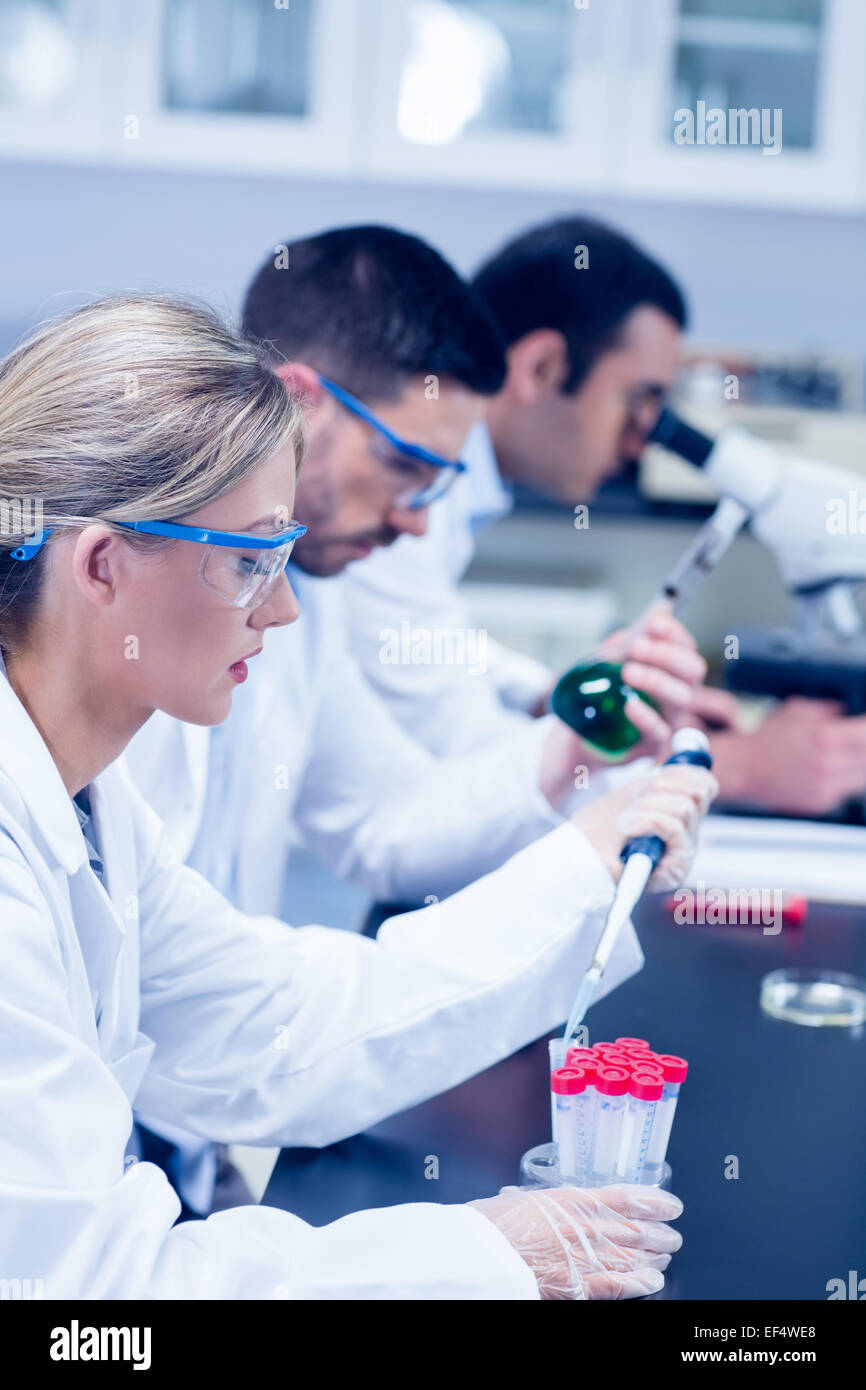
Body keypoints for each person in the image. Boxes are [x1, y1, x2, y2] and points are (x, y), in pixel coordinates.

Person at [0, 293, 715, 1298]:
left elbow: (276, 1024)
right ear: (104, 565)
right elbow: (96, 1299)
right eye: (250, 562)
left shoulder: (93, 807)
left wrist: (587, 863)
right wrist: (484, 1255)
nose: (285, 608)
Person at [341, 216, 866, 816]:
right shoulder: (396, 505)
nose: (640, 442)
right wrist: (740, 766)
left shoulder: (457, 497)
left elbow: (446, 652)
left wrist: (564, 697)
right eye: (634, 402)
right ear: (542, 368)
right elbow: (467, 758)